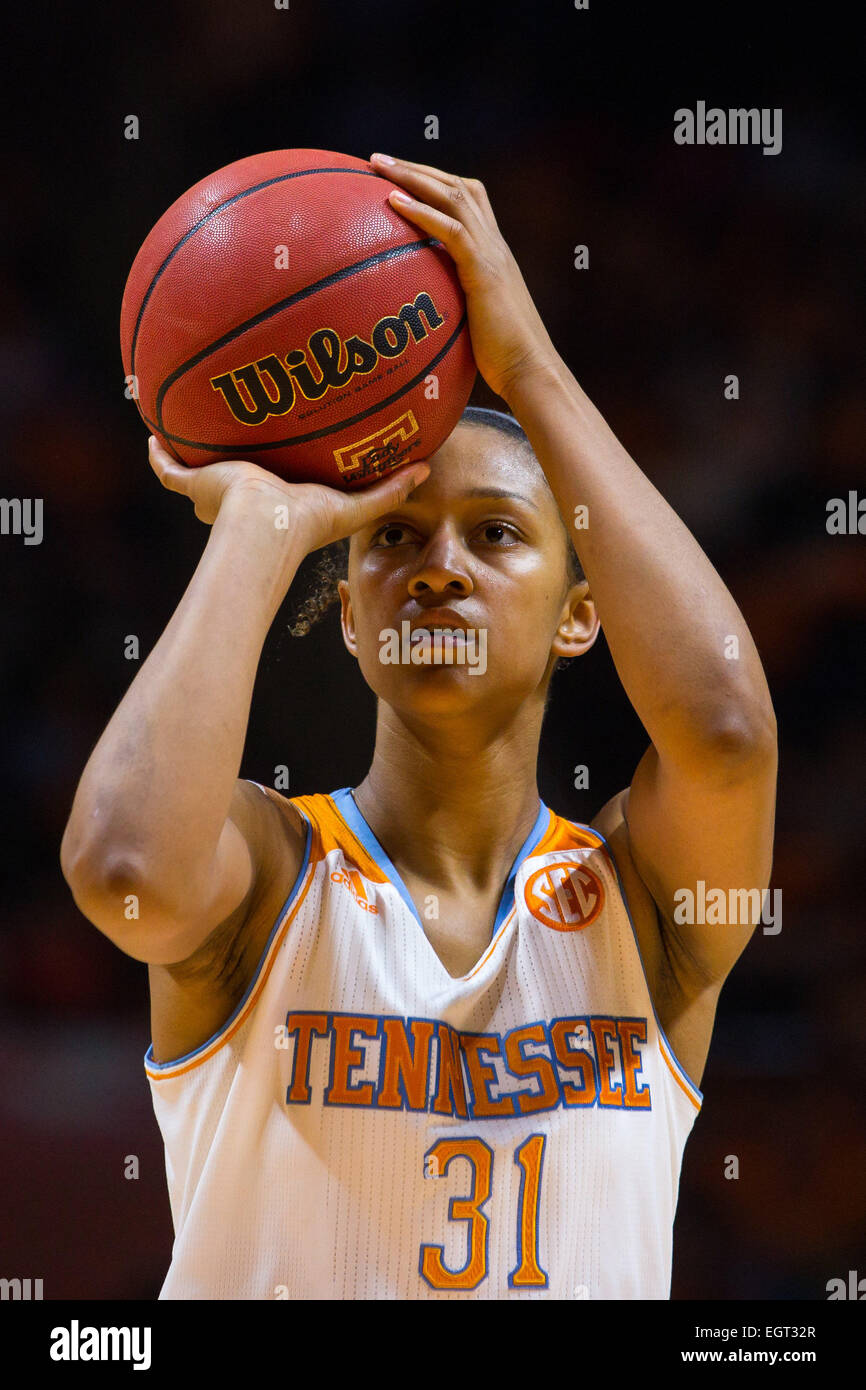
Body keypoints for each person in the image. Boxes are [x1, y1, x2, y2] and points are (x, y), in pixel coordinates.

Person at [60, 154, 777, 1299]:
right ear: (347, 618)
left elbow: (727, 728)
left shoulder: (646, 908)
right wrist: (260, 523)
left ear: (579, 617)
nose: (437, 570)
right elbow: (124, 870)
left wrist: (528, 365)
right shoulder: (269, 874)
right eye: (393, 539)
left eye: (495, 535)